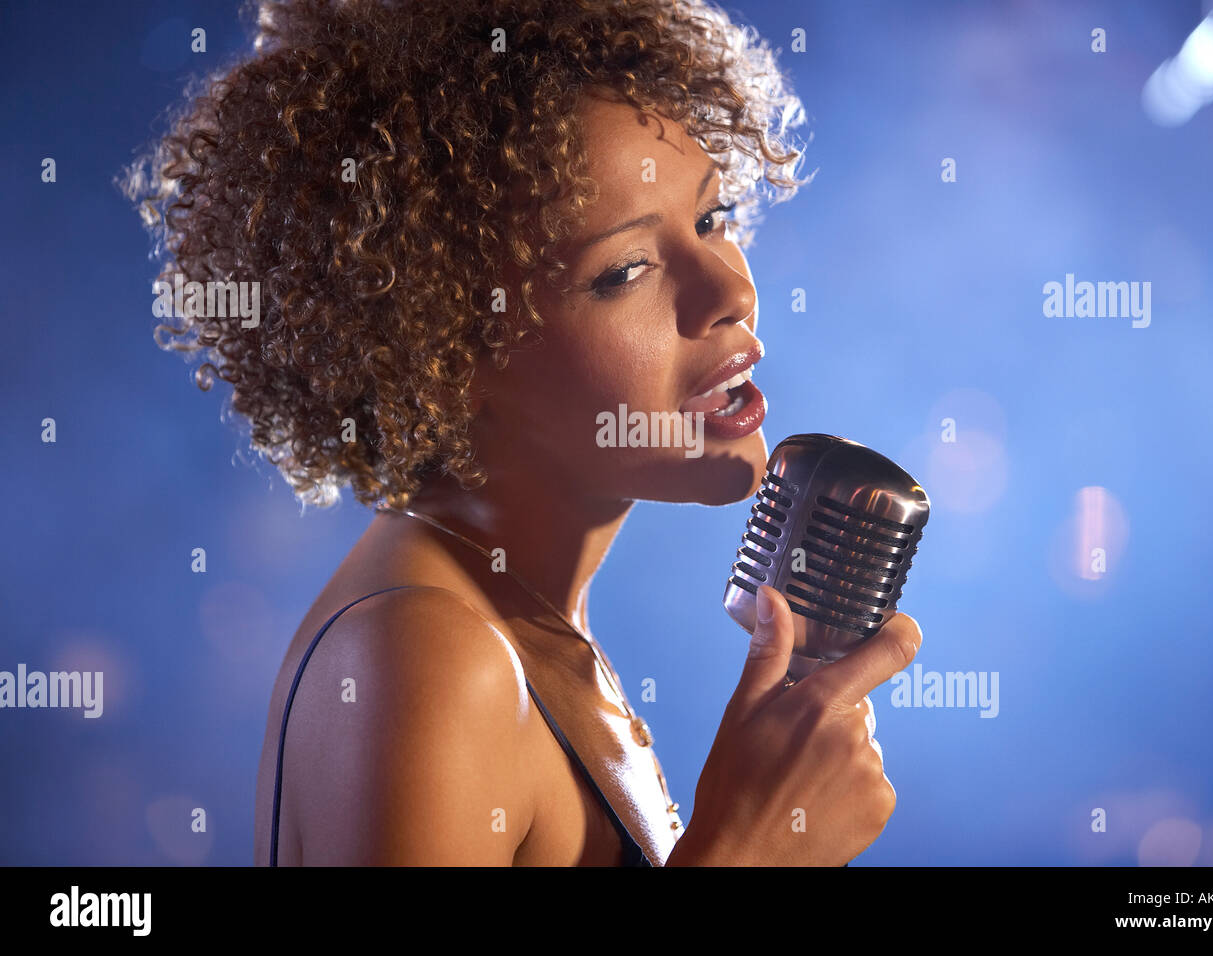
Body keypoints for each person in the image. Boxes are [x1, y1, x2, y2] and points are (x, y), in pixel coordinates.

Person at [122, 0, 921, 866]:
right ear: (440, 344)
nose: (727, 291)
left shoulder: (513, 622)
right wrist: (746, 852)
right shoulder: (427, 659)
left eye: (710, 218)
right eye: (624, 271)